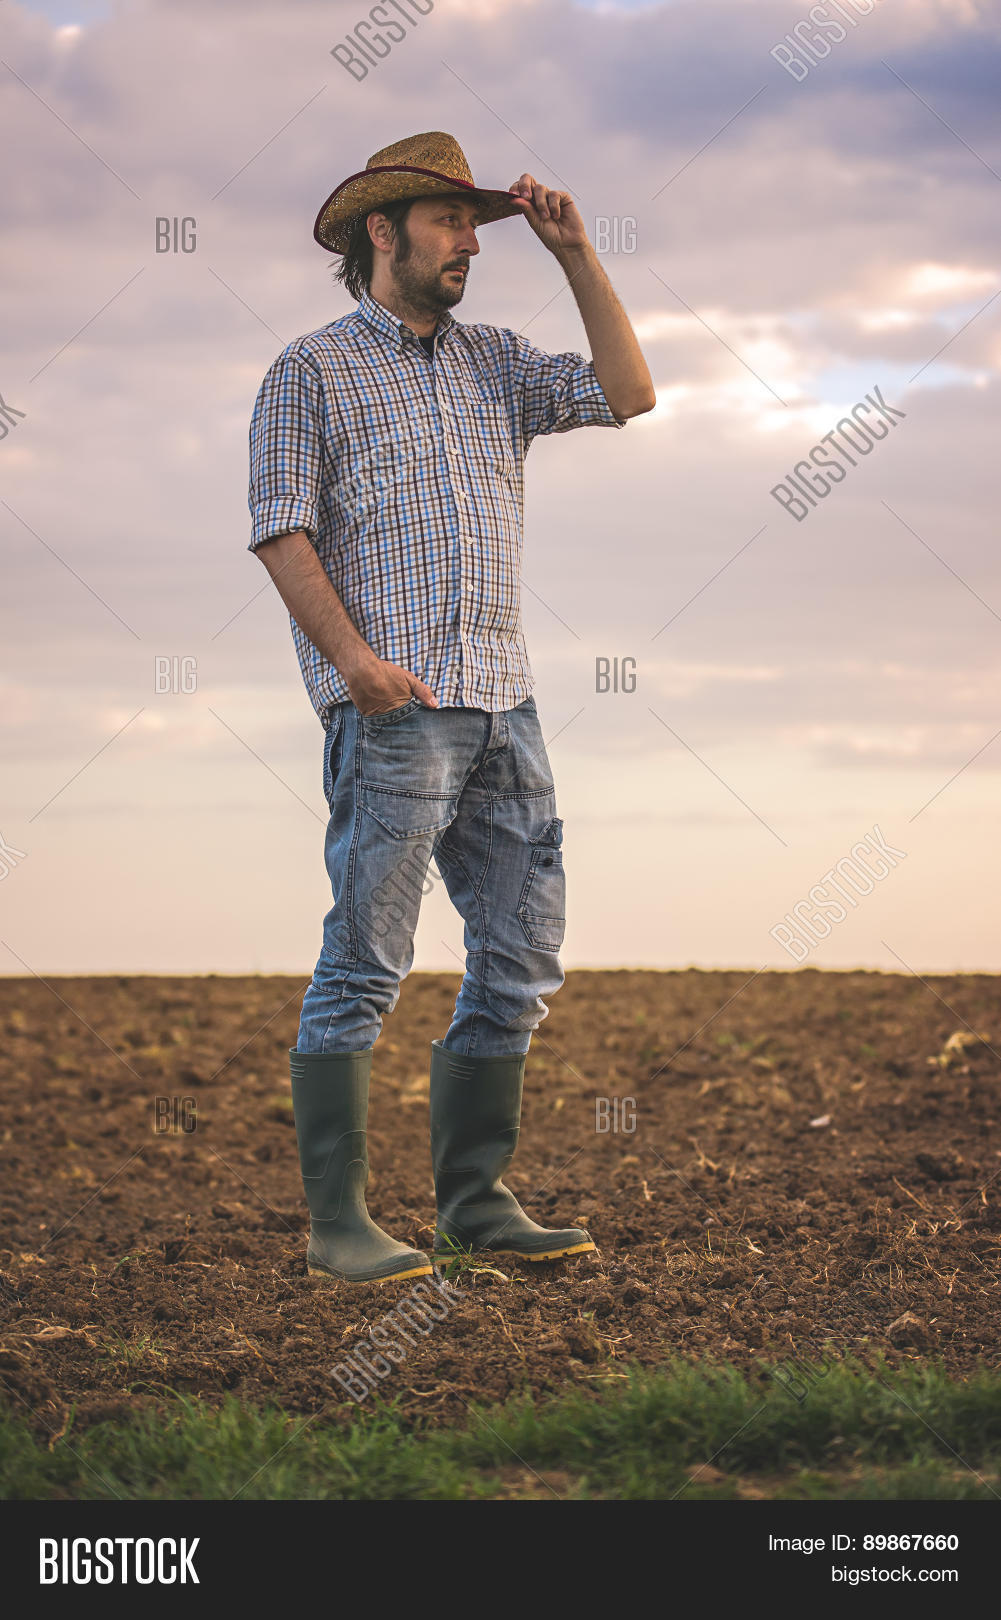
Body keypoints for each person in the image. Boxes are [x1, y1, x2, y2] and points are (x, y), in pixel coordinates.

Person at [248, 131, 655, 1284]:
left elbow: (628, 395)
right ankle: (339, 1227)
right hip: (393, 711)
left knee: (519, 957)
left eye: (476, 225)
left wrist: (576, 256)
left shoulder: (495, 362)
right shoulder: (311, 370)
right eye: (449, 222)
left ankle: (473, 1203)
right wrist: (358, 667)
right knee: (368, 960)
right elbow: (281, 530)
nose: (469, 242)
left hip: (503, 707)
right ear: (385, 232)